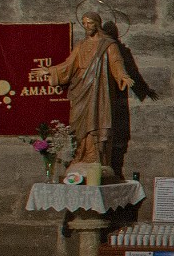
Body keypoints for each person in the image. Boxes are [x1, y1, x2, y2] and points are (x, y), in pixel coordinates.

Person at [49, 11, 132, 169]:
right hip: (81, 88)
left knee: (97, 121)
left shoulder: (108, 44)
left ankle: (96, 159)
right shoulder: (81, 45)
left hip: (99, 90)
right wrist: (50, 71)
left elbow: (116, 62)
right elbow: (69, 64)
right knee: (79, 123)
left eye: (90, 23)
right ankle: (81, 156)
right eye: (84, 23)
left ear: (97, 24)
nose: (87, 26)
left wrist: (123, 76)